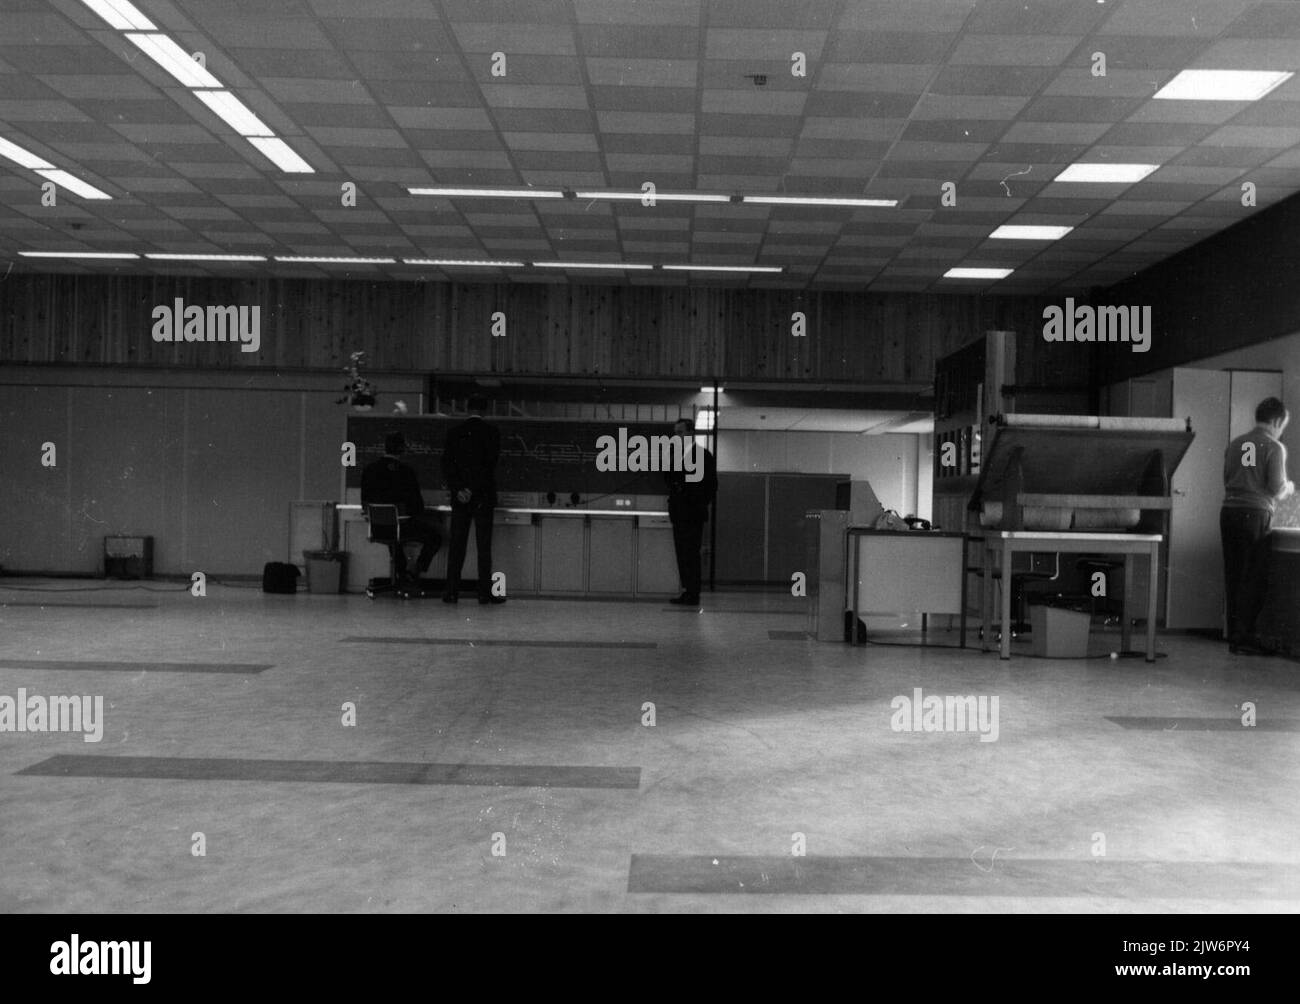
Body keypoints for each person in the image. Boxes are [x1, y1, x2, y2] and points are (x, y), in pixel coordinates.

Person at [1221, 397, 1294, 654]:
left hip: (1229, 512)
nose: (1280, 431)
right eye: (1282, 426)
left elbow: (1227, 477)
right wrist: (1289, 489)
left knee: (1235, 574)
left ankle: (1234, 635)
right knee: (1254, 576)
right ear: (1275, 421)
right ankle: (1247, 634)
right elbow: (1275, 487)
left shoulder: (1236, 444)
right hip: (1255, 514)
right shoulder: (1274, 447)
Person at [441, 395, 505, 605]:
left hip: (460, 499)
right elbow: (489, 467)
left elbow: (447, 466)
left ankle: (451, 592)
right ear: (485, 410)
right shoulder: (492, 433)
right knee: (483, 547)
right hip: (483, 497)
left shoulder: (454, 433)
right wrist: (472, 488)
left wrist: (459, 489)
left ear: (467, 408)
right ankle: (484, 593)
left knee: (457, 546)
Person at [360, 432, 442, 584]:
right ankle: (416, 570)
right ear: (402, 449)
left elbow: (364, 502)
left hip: (377, 527)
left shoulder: (369, 470)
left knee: (393, 536)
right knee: (435, 537)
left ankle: (401, 573)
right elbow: (417, 506)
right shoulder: (406, 472)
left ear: (385, 448)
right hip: (401, 526)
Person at [664, 417, 718, 606]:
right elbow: (669, 481)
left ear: (690, 433)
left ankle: (693, 592)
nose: (677, 436)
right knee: (682, 553)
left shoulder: (703, 456)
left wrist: (695, 501)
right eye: (675, 432)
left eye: (680, 432)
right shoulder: (675, 455)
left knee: (690, 553)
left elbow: (711, 486)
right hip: (679, 513)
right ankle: (688, 590)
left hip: (692, 513)